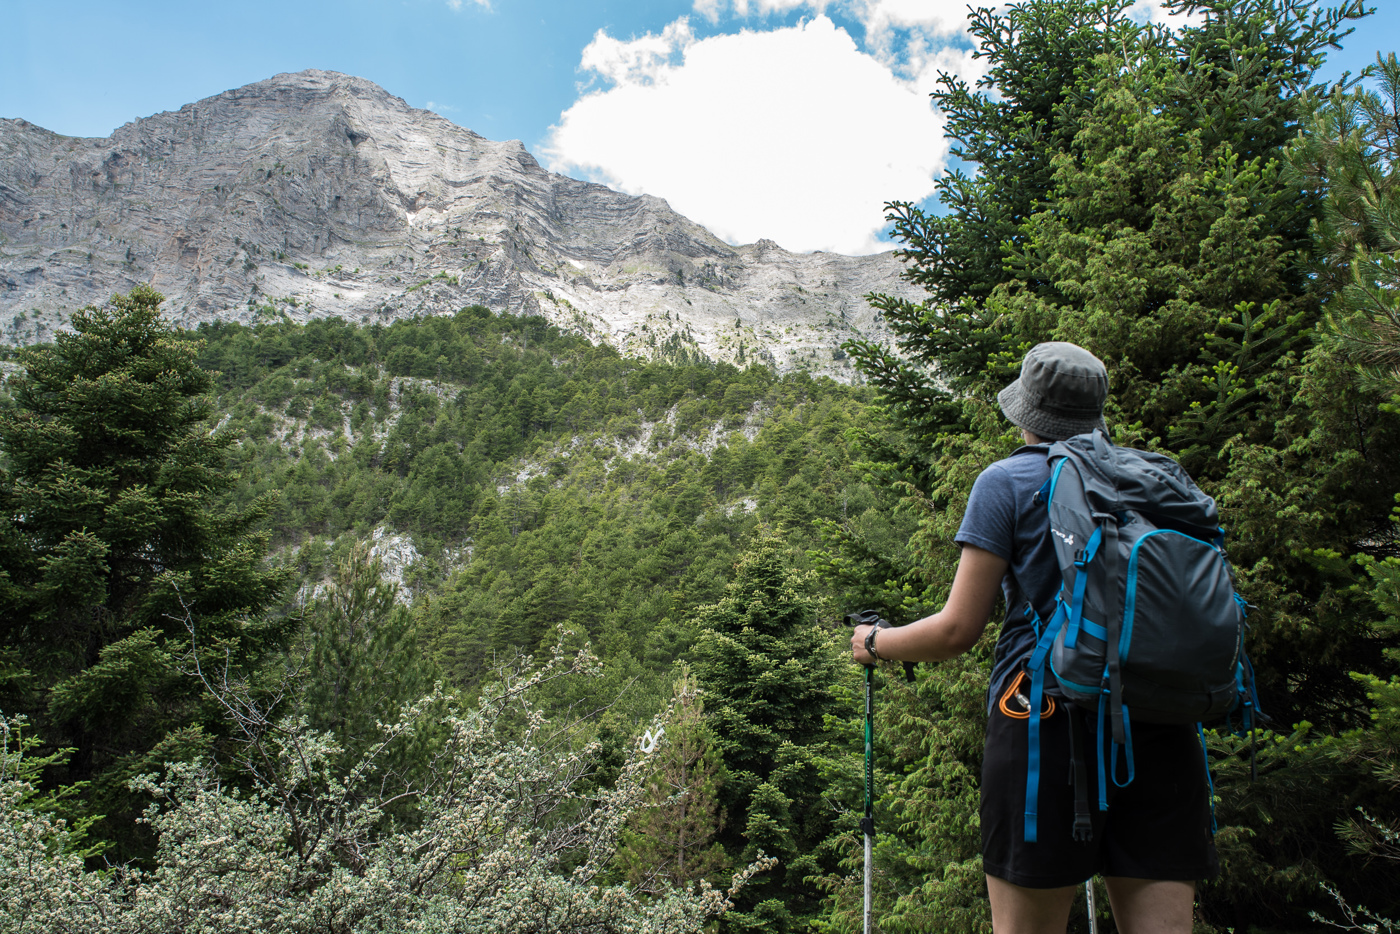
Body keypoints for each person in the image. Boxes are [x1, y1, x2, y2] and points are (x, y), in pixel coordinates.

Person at [850, 342, 1213, 934]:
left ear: (1026, 414)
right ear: (1098, 412)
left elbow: (956, 630)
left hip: (1043, 722)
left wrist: (874, 642)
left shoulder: (1008, 482)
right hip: (1161, 725)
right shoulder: (1154, 480)